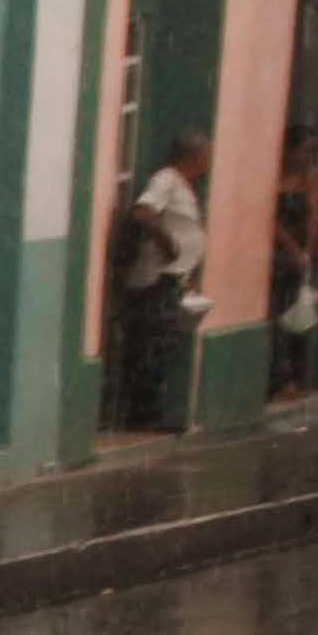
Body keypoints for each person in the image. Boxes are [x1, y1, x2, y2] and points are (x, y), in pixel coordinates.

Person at [122, 128, 210, 431]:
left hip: (174, 277)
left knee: (163, 343)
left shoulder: (183, 185)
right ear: (193, 156)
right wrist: (168, 243)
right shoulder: (167, 179)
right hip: (157, 277)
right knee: (152, 343)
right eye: (205, 155)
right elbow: (143, 213)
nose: (208, 161)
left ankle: (150, 409)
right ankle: (141, 413)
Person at [270, 119, 318, 400]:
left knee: (302, 312)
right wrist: (290, 249)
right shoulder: (276, 175)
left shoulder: (310, 176)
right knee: (279, 312)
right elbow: (273, 219)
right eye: (303, 150)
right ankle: (280, 378)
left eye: (312, 151)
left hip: (302, 252)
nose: (307, 157)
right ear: (288, 150)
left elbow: (313, 214)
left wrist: (307, 252)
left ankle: (299, 376)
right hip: (279, 251)